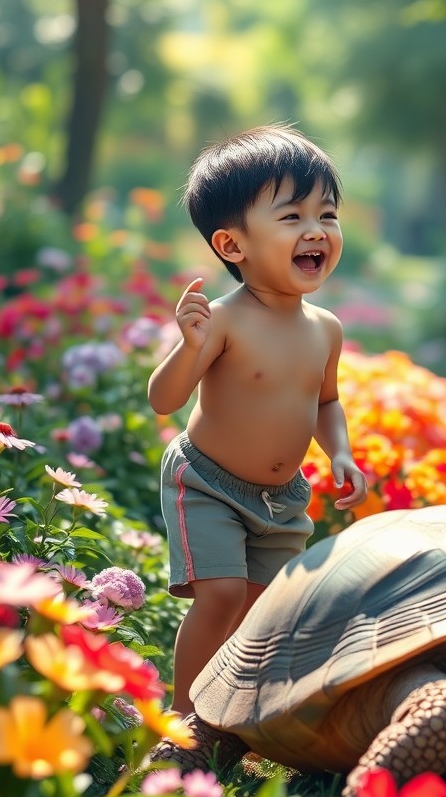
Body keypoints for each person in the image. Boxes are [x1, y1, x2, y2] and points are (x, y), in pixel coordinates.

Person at [148, 124, 368, 714]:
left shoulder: (325, 328)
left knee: (265, 611)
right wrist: (189, 346)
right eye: (291, 217)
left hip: (281, 499)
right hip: (208, 484)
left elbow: (325, 401)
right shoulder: (223, 321)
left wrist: (339, 452)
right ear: (232, 245)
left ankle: (237, 717)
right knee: (218, 595)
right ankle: (183, 721)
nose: (316, 229)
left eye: (327, 213)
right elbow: (163, 400)